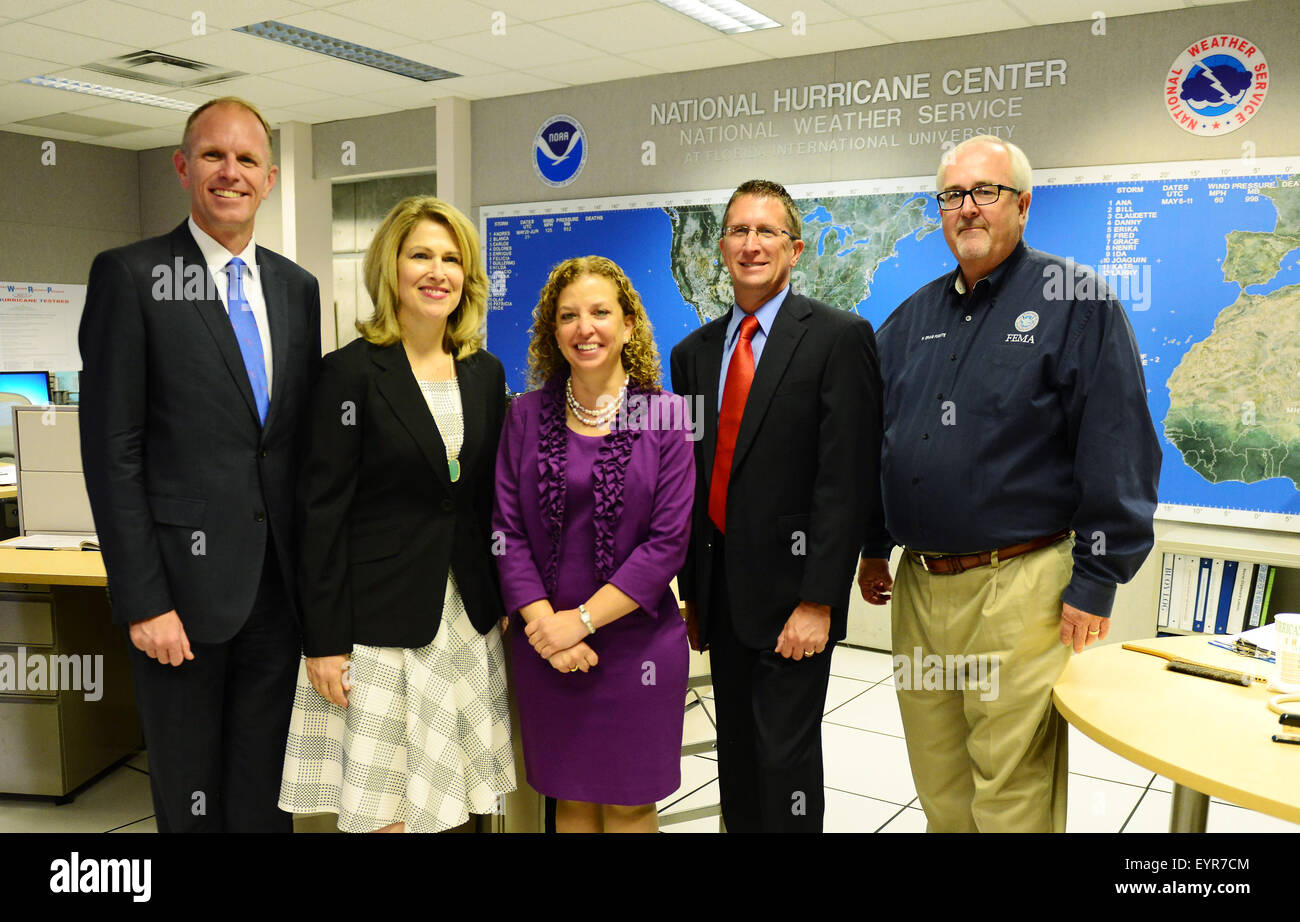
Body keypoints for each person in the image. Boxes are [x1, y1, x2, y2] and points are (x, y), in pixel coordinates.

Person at [857, 135, 1160, 833]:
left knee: (1011, 791)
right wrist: (874, 543)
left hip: (1022, 587)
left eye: (985, 192)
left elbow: (1116, 445)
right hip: (920, 587)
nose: (967, 208)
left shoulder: (1076, 302)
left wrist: (1095, 581)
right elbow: (879, 445)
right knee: (939, 784)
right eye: (953, 195)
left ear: (1023, 205)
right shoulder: (908, 322)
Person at [78, 97, 321, 832]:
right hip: (178, 601)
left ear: (270, 178)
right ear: (183, 167)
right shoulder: (132, 275)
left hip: (276, 599)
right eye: (213, 155)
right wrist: (143, 600)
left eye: (247, 160)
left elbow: (294, 441)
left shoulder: (296, 288)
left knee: (263, 799)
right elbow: (111, 450)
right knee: (191, 800)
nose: (230, 172)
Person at [278, 196, 515, 833]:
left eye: (451, 259)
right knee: (386, 812)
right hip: (378, 623)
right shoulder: (349, 373)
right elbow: (320, 516)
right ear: (391, 269)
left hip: (465, 617)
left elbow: (490, 502)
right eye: (421, 256)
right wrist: (322, 643)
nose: (437, 272)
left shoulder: (484, 373)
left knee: (452, 802)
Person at [670, 179, 884, 833]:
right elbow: (690, 479)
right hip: (722, 599)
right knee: (734, 759)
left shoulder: (838, 338)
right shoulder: (694, 355)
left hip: (795, 598)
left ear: (794, 249)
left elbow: (845, 478)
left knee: (783, 761)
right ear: (722, 248)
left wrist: (819, 599)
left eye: (766, 231)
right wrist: (693, 595)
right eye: (738, 230)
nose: (751, 243)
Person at [493, 255, 694, 833]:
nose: (585, 328)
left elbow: (665, 546)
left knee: (630, 803)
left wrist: (577, 622)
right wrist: (546, 629)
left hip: (638, 649)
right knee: (571, 798)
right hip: (544, 643)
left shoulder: (667, 417)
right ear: (552, 333)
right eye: (568, 315)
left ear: (629, 324)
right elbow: (505, 534)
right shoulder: (525, 416)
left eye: (600, 312)